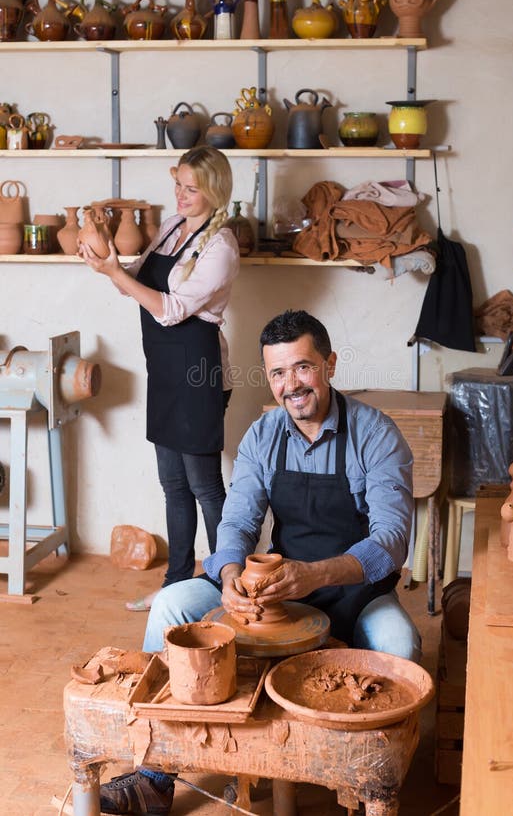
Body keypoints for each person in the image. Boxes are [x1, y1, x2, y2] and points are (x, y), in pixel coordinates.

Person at [98, 309, 421, 816]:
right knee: (172, 605)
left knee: (401, 645)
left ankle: (370, 788)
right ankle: (154, 776)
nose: (291, 385)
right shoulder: (263, 434)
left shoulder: (375, 435)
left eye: (302, 367)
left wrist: (313, 575)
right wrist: (228, 577)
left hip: (352, 588)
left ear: (329, 364)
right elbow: (237, 526)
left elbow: (391, 540)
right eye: (277, 373)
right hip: (273, 591)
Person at [80, 146, 239, 612]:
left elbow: (169, 309)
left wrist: (115, 271)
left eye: (192, 188)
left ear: (214, 191)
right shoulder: (171, 227)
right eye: (179, 184)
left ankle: (223, 584)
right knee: (172, 484)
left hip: (198, 370)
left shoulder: (221, 245)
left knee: (205, 486)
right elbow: (137, 283)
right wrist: (106, 260)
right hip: (165, 372)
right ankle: (175, 586)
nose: (182, 195)